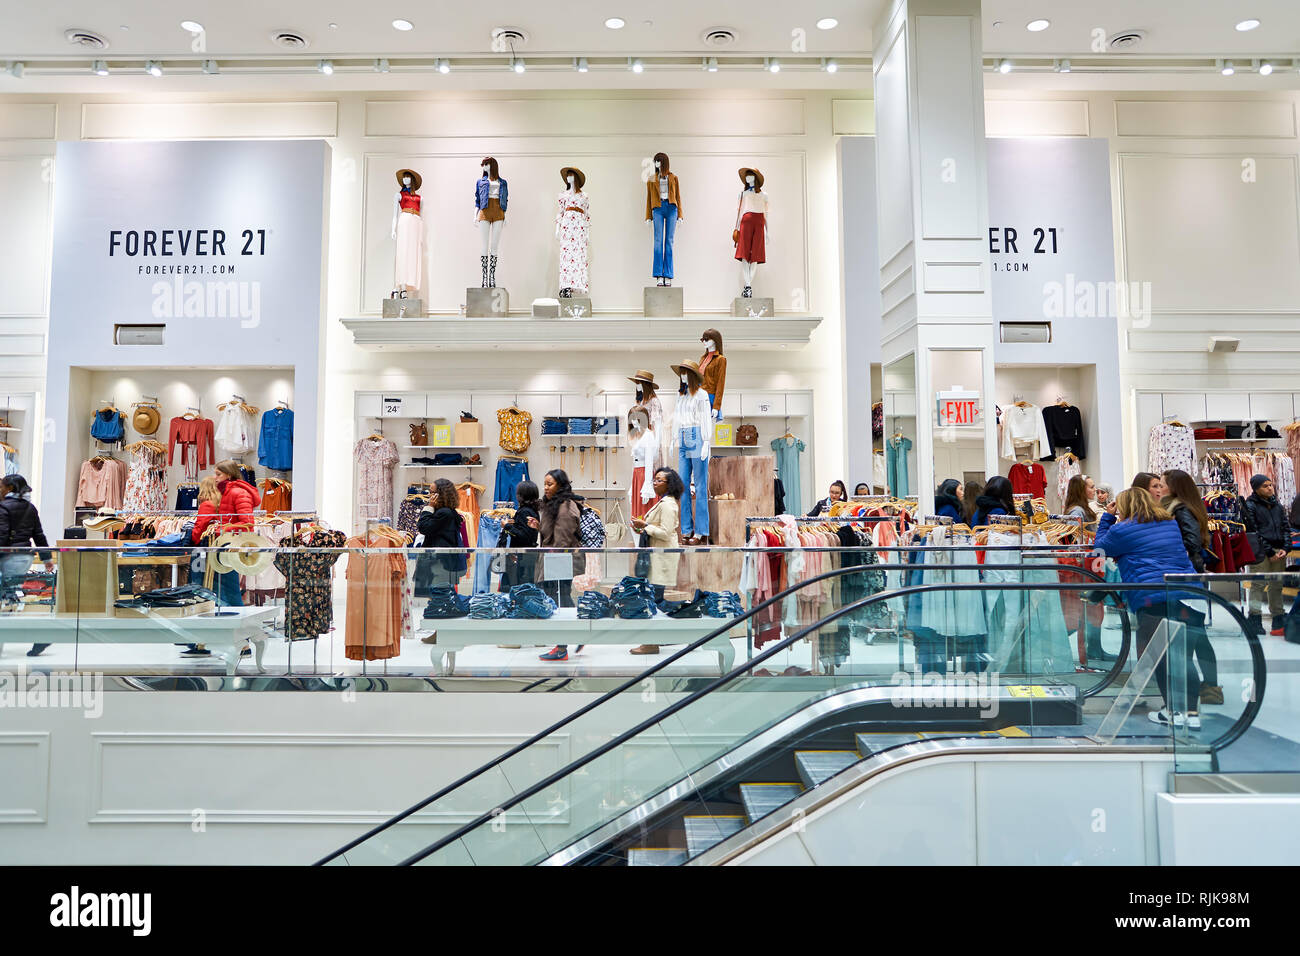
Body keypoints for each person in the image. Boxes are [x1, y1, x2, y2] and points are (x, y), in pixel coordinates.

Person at [1094, 488, 1205, 729]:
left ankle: (1173, 712)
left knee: (1161, 656)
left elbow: (1099, 551)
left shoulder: (1122, 529)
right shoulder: (1169, 523)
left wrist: (1106, 518)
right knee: (1184, 657)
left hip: (1153, 598)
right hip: (1190, 594)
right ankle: (1192, 714)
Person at [1162, 468, 1221, 703]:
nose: (1159, 486)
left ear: (1174, 487)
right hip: (1190, 576)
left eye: (1162, 483)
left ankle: (1198, 690)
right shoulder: (1181, 507)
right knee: (1198, 635)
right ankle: (1210, 687)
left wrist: (1173, 551)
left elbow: (1191, 541)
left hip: (1187, 577)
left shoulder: (1180, 509)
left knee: (1192, 636)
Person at [629, 467, 684, 655]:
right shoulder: (663, 503)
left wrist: (645, 526)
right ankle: (655, 640)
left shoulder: (668, 505)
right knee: (654, 597)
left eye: (659, 480)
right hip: (657, 555)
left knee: (654, 598)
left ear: (669, 484)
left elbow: (666, 532)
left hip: (662, 557)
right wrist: (641, 527)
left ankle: (653, 642)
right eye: (655, 479)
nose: (655, 482)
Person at [0, 475, 53, 657]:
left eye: (1, 486)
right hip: (24, 558)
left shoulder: (3, 507)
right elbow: (39, 535)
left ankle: (41, 634)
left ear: (9, 488)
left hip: (8, 558)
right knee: (8, 600)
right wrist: (46, 558)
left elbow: (2, 537)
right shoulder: (30, 508)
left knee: (6, 601)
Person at [538, 469, 585, 662]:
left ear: (560, 485)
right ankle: (577, 635)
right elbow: (553, 534)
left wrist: (553, 565)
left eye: (550, 484)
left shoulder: (565, 507)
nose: (546, 488)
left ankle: (562, 646)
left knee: (560, 602)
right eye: (545, 484)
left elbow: (563, 540)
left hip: (559, 561)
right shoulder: (556, 505)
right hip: (556, 561)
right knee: (563, 600)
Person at [1241, 474, 1290, 636]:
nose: (1270, 488)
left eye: (1271, 485)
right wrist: (1269, 552)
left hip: (1279, 551)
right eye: (1265, 486)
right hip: (1261, 552)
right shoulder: (1250, 506)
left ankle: (1278, 620)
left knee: (1277, 585)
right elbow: (1255, 532)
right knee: (1258, 585)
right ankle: (1255, 619)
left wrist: (1286, 547)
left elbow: (1286, 527)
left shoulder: (1277, 504)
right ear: (1256, 488)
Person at [183, 475, 224, 657]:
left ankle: (198, 640)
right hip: (214, 554)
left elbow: (199, 531)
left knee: (197, 589)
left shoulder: (207, 505)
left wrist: (190, 539)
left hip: (201, 553)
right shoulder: (220, 505)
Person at [213, 460, 260, 609]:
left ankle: (238, 622)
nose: (215, 478)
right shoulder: (225, 491)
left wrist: (223, 528)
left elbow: (247, 523)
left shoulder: (239, 493)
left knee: (231, 588)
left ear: (228, 474)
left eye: (218, 474)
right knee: (222, 587)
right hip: (224, 544)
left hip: (232, 545)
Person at [499, 480, 540, 591]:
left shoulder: (524, 512)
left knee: (518, 590)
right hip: (527, 557)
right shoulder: (532, 511)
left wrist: (507, 526)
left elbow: (523, 537)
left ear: (521, 495)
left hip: (521, 558)